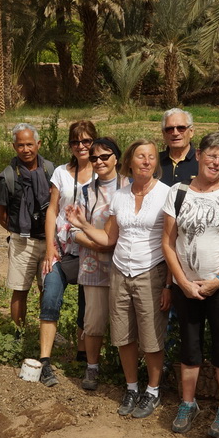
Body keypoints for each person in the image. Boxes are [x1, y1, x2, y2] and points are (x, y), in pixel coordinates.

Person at [68, 140, 171, 418]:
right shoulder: (120, 196)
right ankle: (132, 387)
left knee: (151, 337)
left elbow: (173, 242)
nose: (146, 161)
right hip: (120, 272)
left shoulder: (166, 194)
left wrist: (169, 284)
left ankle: (152, 391)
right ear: (130, 162)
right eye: (140, 157)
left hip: (151, 271)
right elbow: (110, 238)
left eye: (151, 157)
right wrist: (84, 225)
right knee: (123, 335)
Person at [161, 132, 219, 438]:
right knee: (190, 346)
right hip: (186, 286)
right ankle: (188, 403)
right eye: (212, 155)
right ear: (198, 155)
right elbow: (168, 243)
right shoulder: (178, 192)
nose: (217, 162)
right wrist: (182, 282)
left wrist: (218, 280)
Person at [36, 121, 96, 387]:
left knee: (88, 306)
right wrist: (50, 247)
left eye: (86, 141)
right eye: (76, 142)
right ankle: (45, 361)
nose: (81, 147)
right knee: (50, 298)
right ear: (70, 145)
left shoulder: (105, 172)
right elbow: (52, 210)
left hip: (91, 249)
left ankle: (83, 357)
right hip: (62, 248)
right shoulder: (61, 172)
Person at [70, 138, 127, 391]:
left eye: (105, 156)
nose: (99, 162)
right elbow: (73, 230)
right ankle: (92, 367)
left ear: (117, 158)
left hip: (125, 264)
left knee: (128, 320)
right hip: (94, 266)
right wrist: (100, 244)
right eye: (94, 158)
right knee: (93, 321)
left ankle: (128, 372)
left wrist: (109, 243)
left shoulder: (131, 187)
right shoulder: (85, 191)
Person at [0, 123, 54, 332]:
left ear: (38, 144)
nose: (26, 150)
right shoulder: (8, 176)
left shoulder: (50, 170)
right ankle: (19, 333)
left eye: (30, 144)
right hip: (22, 243)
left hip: (49, 241)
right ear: (14, 147)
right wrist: (18, 230)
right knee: (20, 290)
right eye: (21, 145)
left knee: (48, 289)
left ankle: (48, 332)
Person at [158, 108, 197, 186]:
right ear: (164, 134)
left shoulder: (203, 162)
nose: (175, 133)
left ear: (191, 132)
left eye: (181, 128)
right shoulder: (154, 161)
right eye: (169, 129)